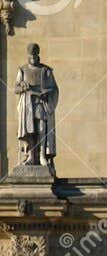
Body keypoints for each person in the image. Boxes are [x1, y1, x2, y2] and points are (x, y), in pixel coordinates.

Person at [14, 43, 56, 175]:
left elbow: (54, 88)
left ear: (38, 54)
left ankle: (42, 156)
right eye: (31, 54)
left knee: (42, 129)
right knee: (29, 130)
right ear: (28, 55)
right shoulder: (22, 70)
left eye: (35, 54)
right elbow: (16, 88)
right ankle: (31, 156)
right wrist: (22, 86)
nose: (33, 57)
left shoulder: (45, 70)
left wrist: (47, 93)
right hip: (27, 104)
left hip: (40, 103)